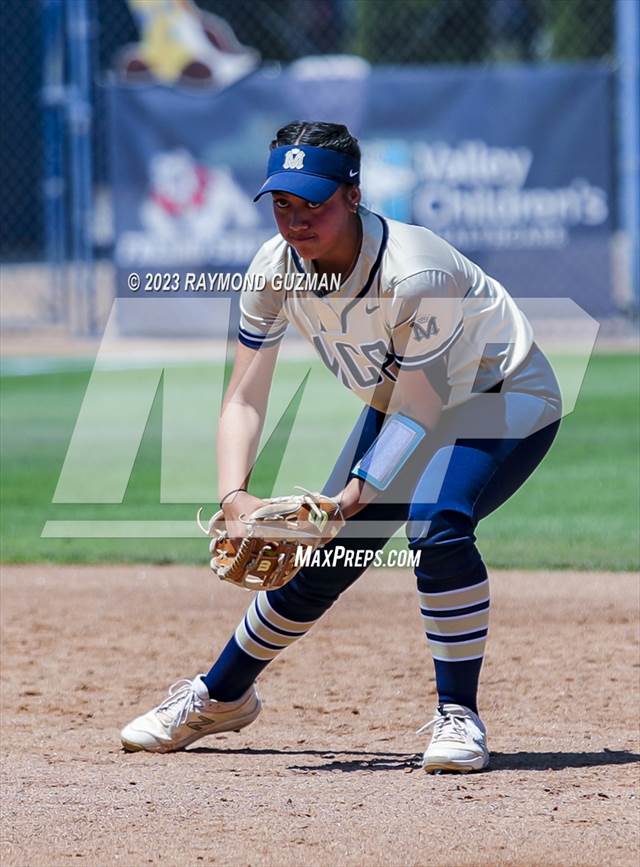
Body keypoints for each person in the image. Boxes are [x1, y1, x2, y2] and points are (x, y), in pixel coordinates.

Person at [120, 121, 562, 772]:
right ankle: (221, 696)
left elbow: (422, 411)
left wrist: (350, 496)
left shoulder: (416, 272)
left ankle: (459, 716)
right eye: (283, 203)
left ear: (353, 196)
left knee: (436, 525)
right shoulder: (272, 271)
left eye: (314, 203)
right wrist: (234, 494)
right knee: (322, 555)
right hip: (404, 400)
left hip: (503, 393)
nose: (296, 220)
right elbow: (243, 397)